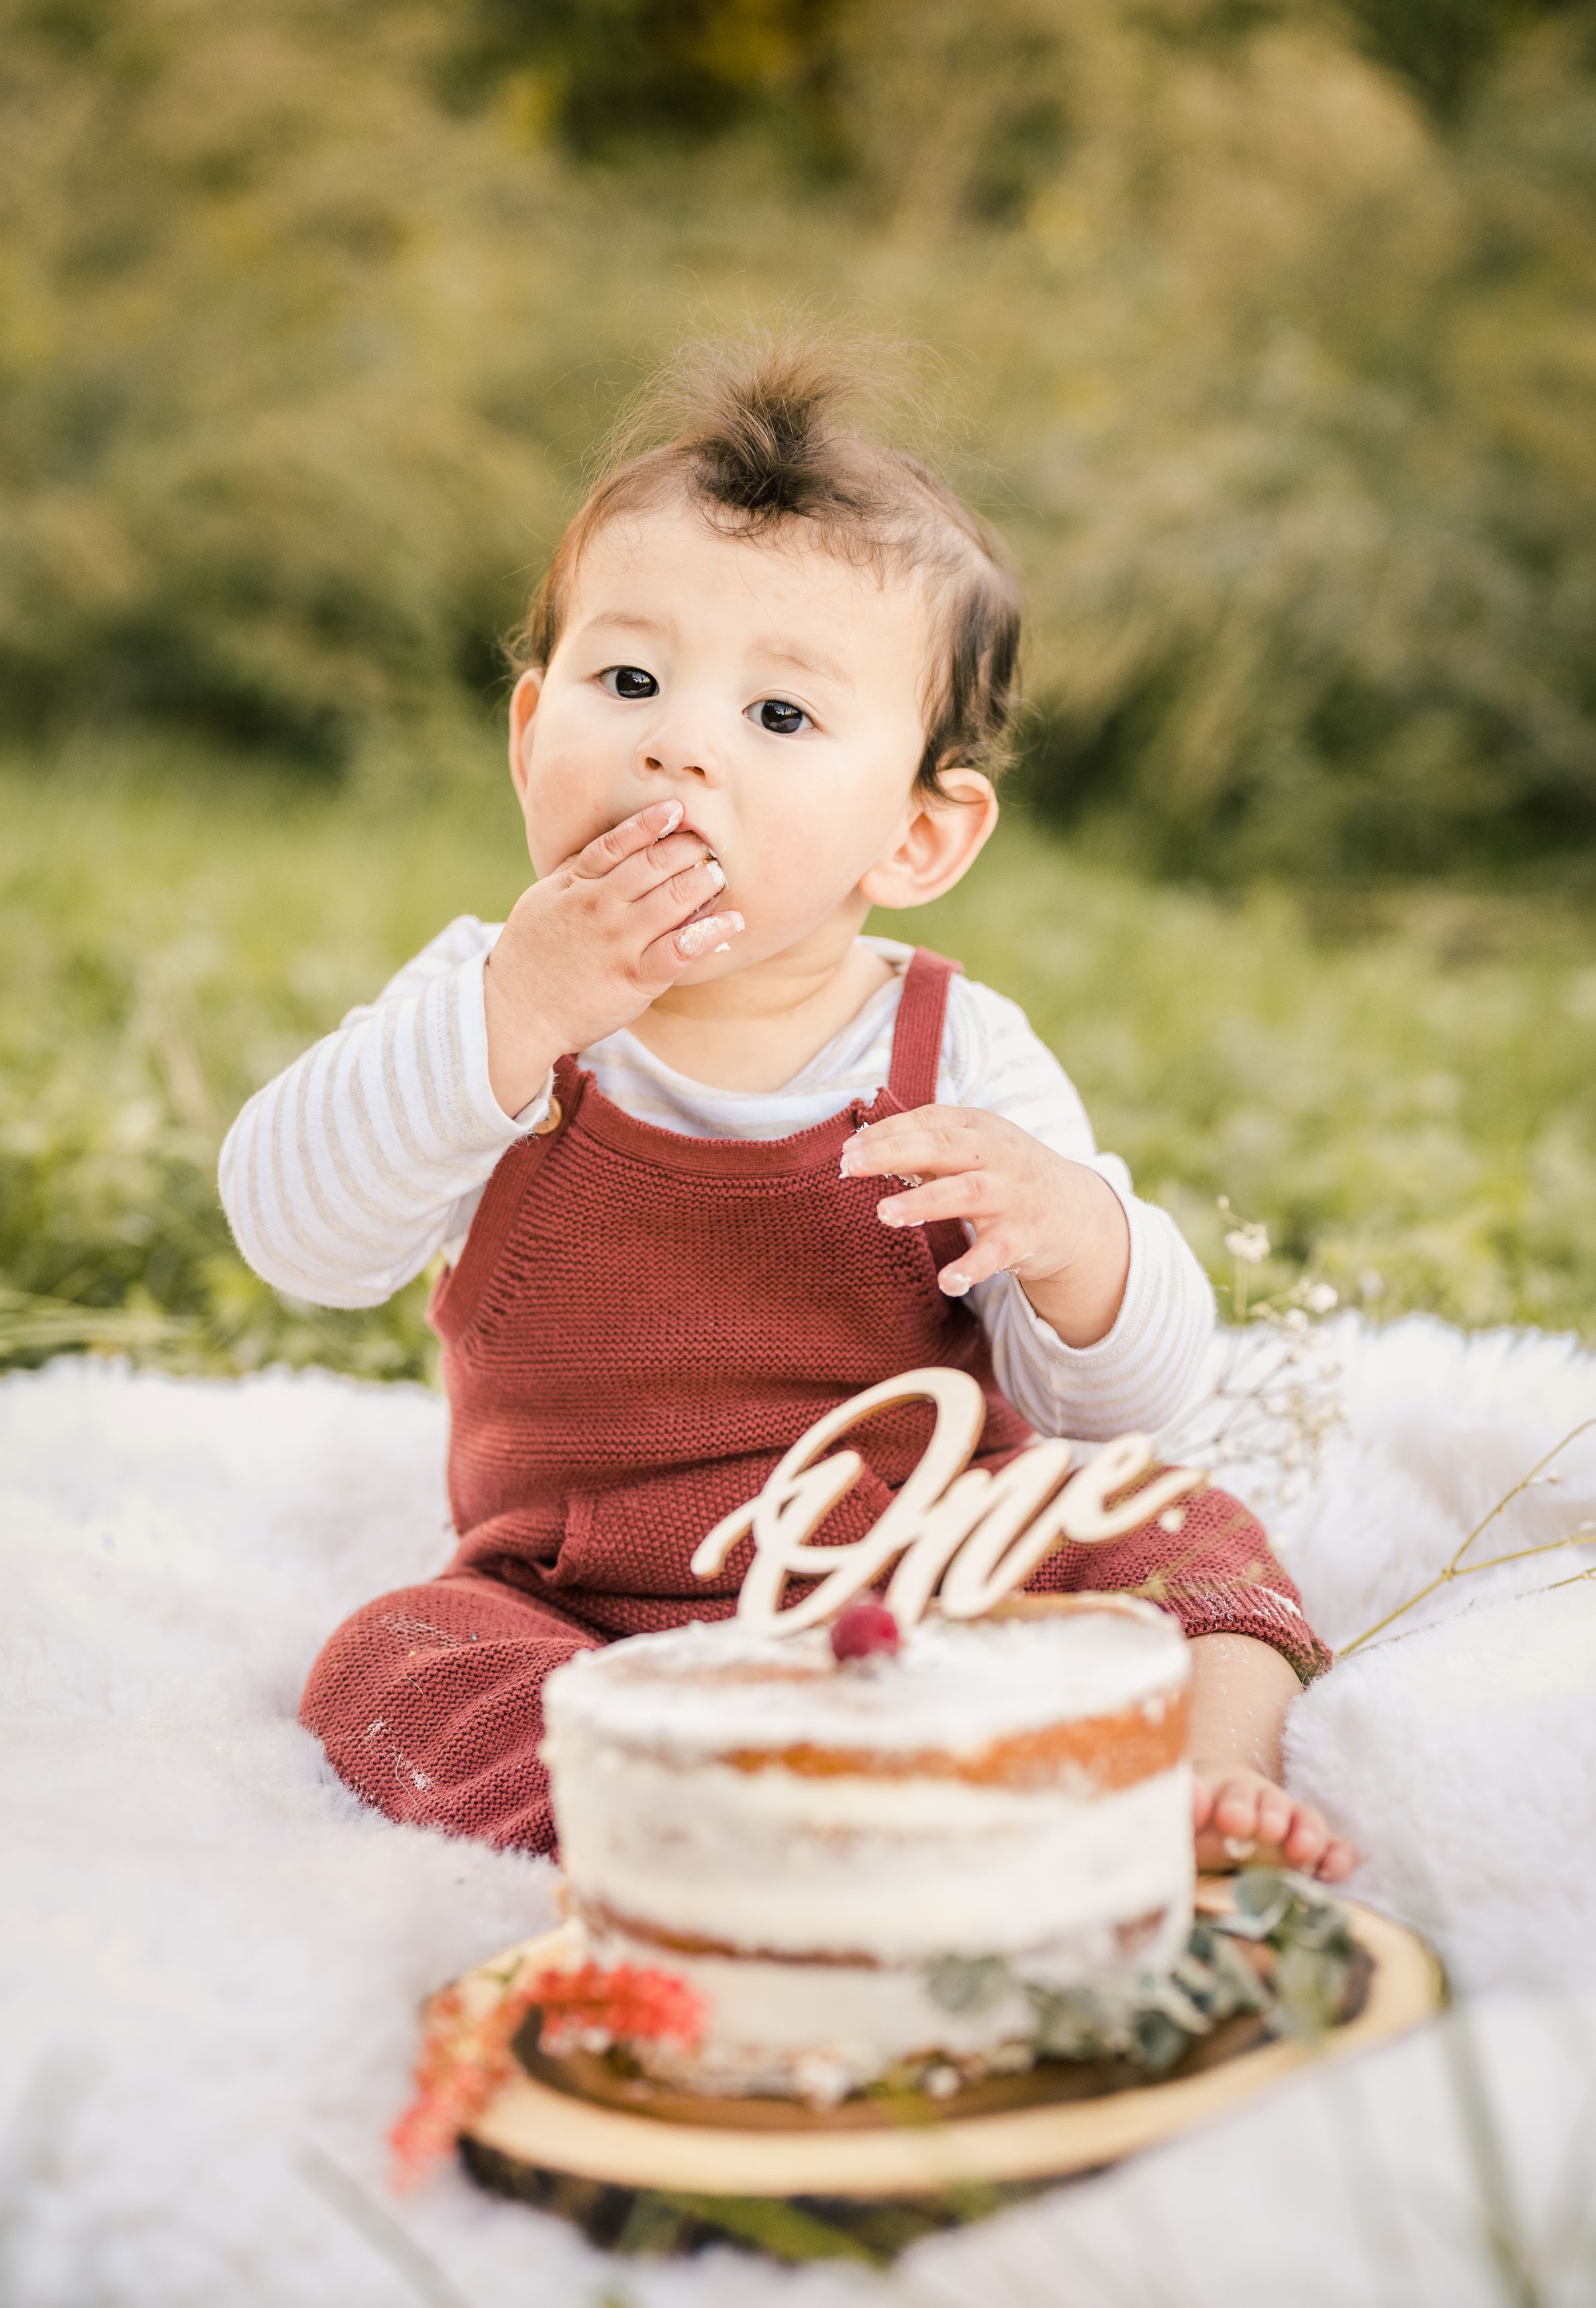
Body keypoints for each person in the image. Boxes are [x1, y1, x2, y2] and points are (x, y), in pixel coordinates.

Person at [219, 338, 1355, 1883]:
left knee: (1175, 1522)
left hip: (929, 1569)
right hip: (585, 1606)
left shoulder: (953, 1049)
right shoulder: (485, 1015)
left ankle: (1207, 1786)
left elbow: (1119, 1403)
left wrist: (1074, 1237)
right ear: (527, 733)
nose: (676, 741)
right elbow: (297, 1237)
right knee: (390, 1659)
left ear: (917, 835)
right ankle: (697, 1834)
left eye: (777, 716)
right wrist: (517, 1015)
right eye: (628, 682)